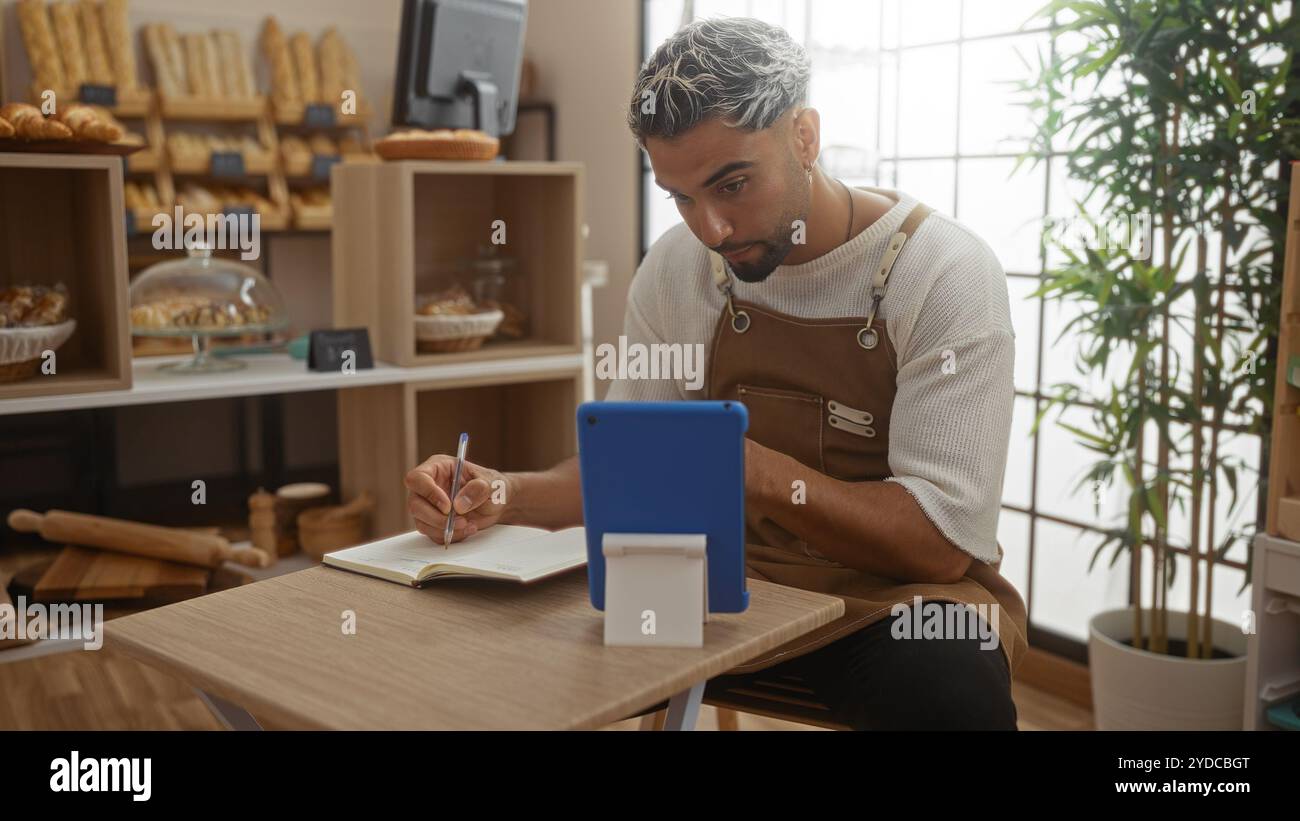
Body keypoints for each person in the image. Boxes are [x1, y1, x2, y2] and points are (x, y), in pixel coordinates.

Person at [406, 17, 1026, 730]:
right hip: (720, 590)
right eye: (681, 196)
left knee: (950, 684)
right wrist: (498, 495)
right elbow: (628, 465)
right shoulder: (679, 266)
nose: (712, 230)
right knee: (497, 643)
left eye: (733, 184)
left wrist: (756, 471)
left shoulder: (942, 273)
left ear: (804, 135)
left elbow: (940, 544)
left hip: (894, 607)